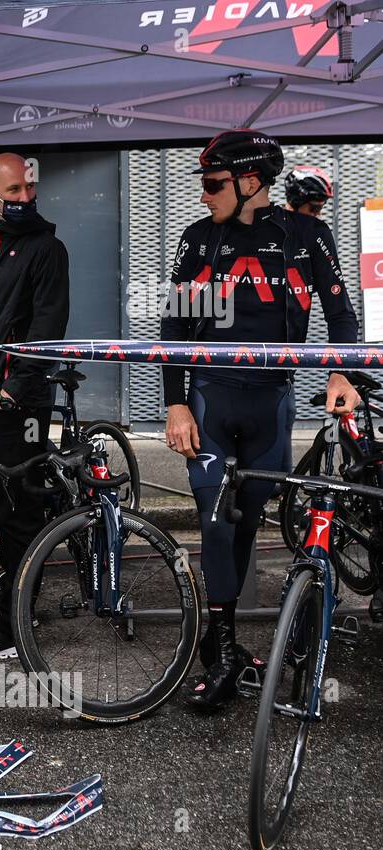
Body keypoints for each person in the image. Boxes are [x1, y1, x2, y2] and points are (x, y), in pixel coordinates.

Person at [161, 129, 359, 712]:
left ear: (250, 181)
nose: (204, 195)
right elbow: (174, 327)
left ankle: (219, 636)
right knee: (215, 517)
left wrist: (340, 375)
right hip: (211, 399)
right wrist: (174, 404)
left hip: (272, 402)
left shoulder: (306, 234)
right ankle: (222, 654)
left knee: (248, 519)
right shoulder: (200, 239)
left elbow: (340, 316)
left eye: (213, 184)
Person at [0, 153, 70, 661]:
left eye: (29, 191)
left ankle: (12, 627)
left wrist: (15, 390)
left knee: (21, 508)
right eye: (14, 193)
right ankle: (13, 591)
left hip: (16, 401)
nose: (24, 199)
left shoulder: (49, 248)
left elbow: (48, 330)